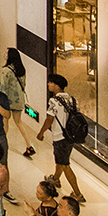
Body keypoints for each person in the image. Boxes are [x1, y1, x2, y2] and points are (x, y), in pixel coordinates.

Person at [34, 74, 86, 202]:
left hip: (60, 137)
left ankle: (78, 194)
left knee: (65, 164)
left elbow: (49, 119)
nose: (48, 85)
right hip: (70, 136)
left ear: (56, 86)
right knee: (61, 160)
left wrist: (41, 133)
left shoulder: (54, 101)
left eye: (50, 83)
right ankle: (55, 179)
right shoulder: (73, 100)